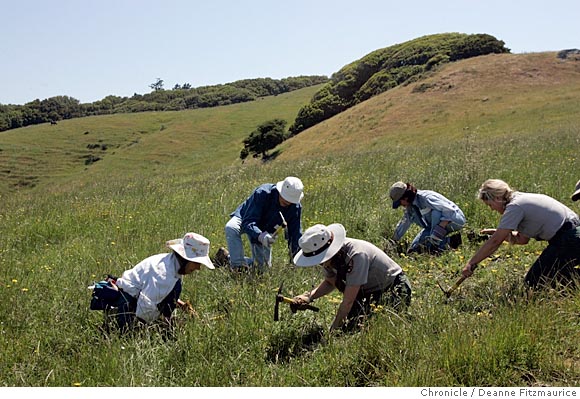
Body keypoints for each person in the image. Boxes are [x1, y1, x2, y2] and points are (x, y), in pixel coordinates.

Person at [292, 223, 411, 332]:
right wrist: (309, 297)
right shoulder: (330, 257)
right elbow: (330, 282)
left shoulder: (357, 255)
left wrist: (333, 331)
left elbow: (348, 302)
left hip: (394, 289)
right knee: (351, 326)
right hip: (367, 293)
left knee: (370, 328)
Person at [462, 179, 580, 289]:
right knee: (554, 274)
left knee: (534, 282)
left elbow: (494, 242)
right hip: (573, 233)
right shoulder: (520, 199)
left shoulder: (515, 207)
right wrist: (498, 233)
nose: (492, 209)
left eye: (490, 205)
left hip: (568, 238)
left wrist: (471, 263)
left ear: (497, 198)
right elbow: (522, 239)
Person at [113, 232, 214, 331]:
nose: (198, 267)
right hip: (127, 307)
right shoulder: (164, 275)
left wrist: (182, 305)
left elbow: (161, 293)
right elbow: (144, 308)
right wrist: (162, 325)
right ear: (184, 258)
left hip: (133, 300)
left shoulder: (171, 264)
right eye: (196, 263)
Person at [225, 176, 304, 273]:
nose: (287, 204)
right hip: (245, 218)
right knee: (231, 228)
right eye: (285, 200)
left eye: (290, 202)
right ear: (279, 191)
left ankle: (227, 258)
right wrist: (260, 235)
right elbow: (248, 221)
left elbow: (295, 234)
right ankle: (237, 267)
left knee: (263, 269)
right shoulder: (262, 193)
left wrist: (295, 260)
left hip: (265, 231)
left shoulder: (295, 207)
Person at [389, 181, 466, 254]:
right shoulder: (410, 207)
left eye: (400, 203)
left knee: (436, 213)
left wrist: (436, 235)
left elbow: (449, 211)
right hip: (433, 227)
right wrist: (393, 241)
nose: (401, 205)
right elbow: (404, 223)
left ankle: (453, 242)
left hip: (455, 219)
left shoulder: (426, 198)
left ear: (405, 198)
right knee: (415, 249)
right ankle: (451, 241)